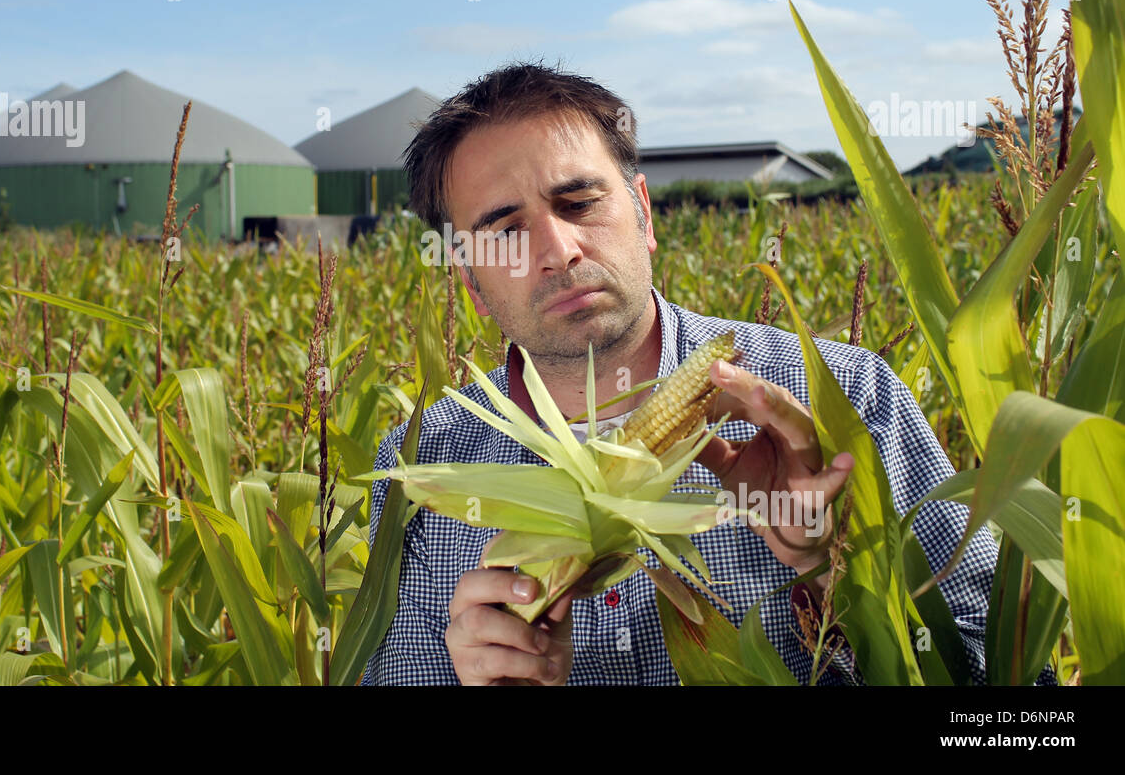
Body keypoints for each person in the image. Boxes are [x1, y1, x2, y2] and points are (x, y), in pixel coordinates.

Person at [361, 59, 1030, 686]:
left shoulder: (845, 397)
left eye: (579, 203)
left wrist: (834, 573)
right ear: (472, 285)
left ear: (644, 213)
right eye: (505, 231)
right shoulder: (421, 473)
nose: (559, 251)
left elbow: (1004, 681)